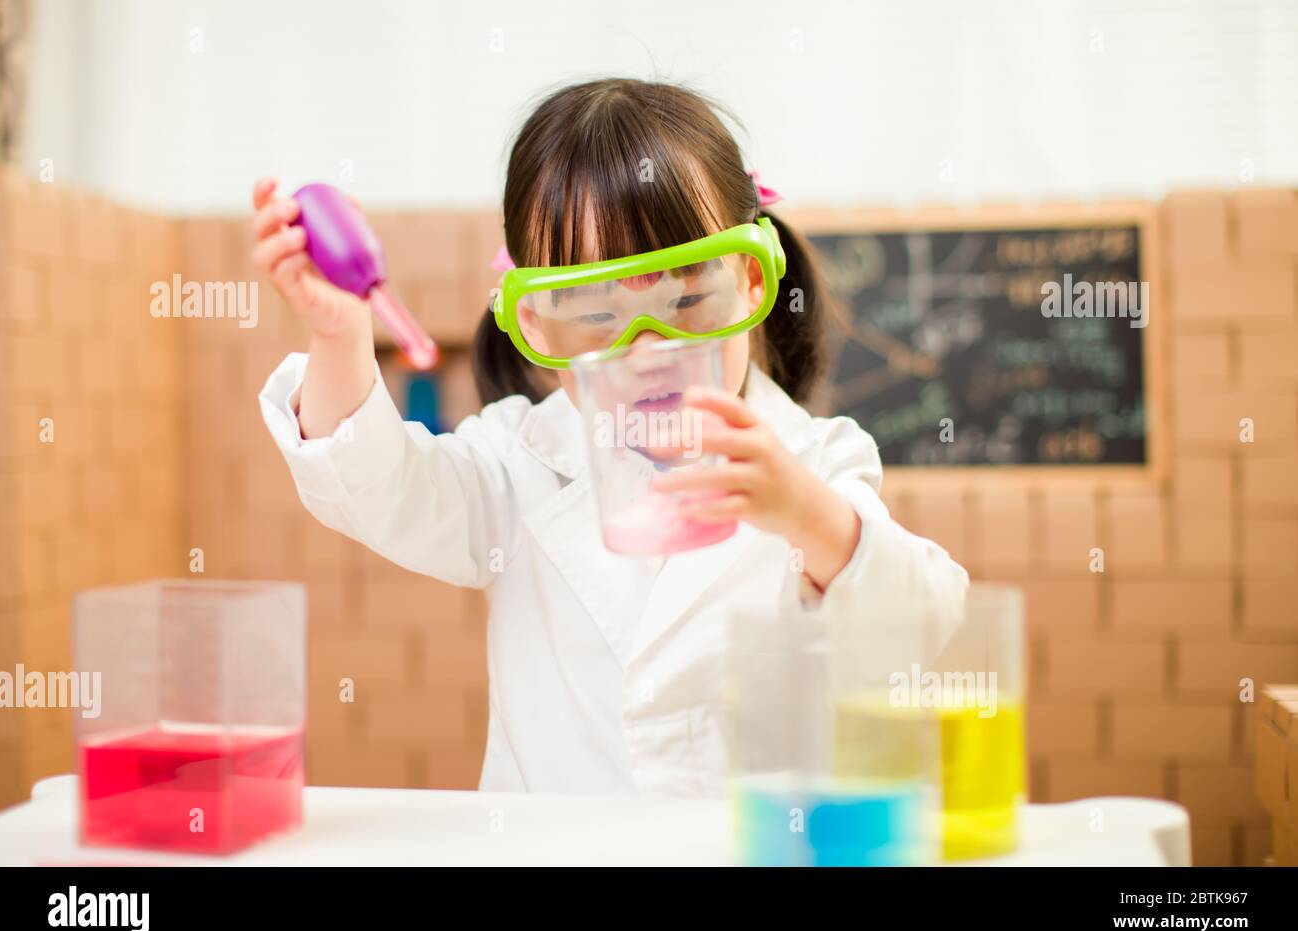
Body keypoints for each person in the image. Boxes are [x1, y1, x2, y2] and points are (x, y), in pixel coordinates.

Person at [252, 78, 968, 795]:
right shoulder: (514, 462)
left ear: (751, 281)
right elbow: (381, 489)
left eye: (687, 301)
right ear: (536, 323)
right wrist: (339, 335)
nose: (648, 349)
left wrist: (809, 517)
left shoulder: (818, 460)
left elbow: (917, 625)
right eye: (597, 314)